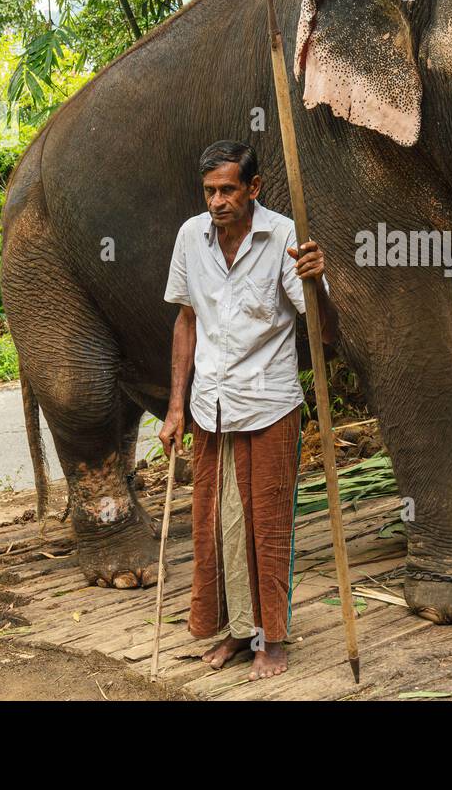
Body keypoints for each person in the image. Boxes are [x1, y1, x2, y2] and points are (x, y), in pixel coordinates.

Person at [159, 139, 338, 681]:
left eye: (228, 190)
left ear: (253, 188)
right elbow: (187, 321)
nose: (217, 201)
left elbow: (325, 331)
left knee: (267, 524)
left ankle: (273, 640)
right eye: (210, 191)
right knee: (219, 525)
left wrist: (315, 284)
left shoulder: (283, 236)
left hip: (269, 404)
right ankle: (239, 632)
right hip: (210, 405)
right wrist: (173, 409)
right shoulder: (192, 236)